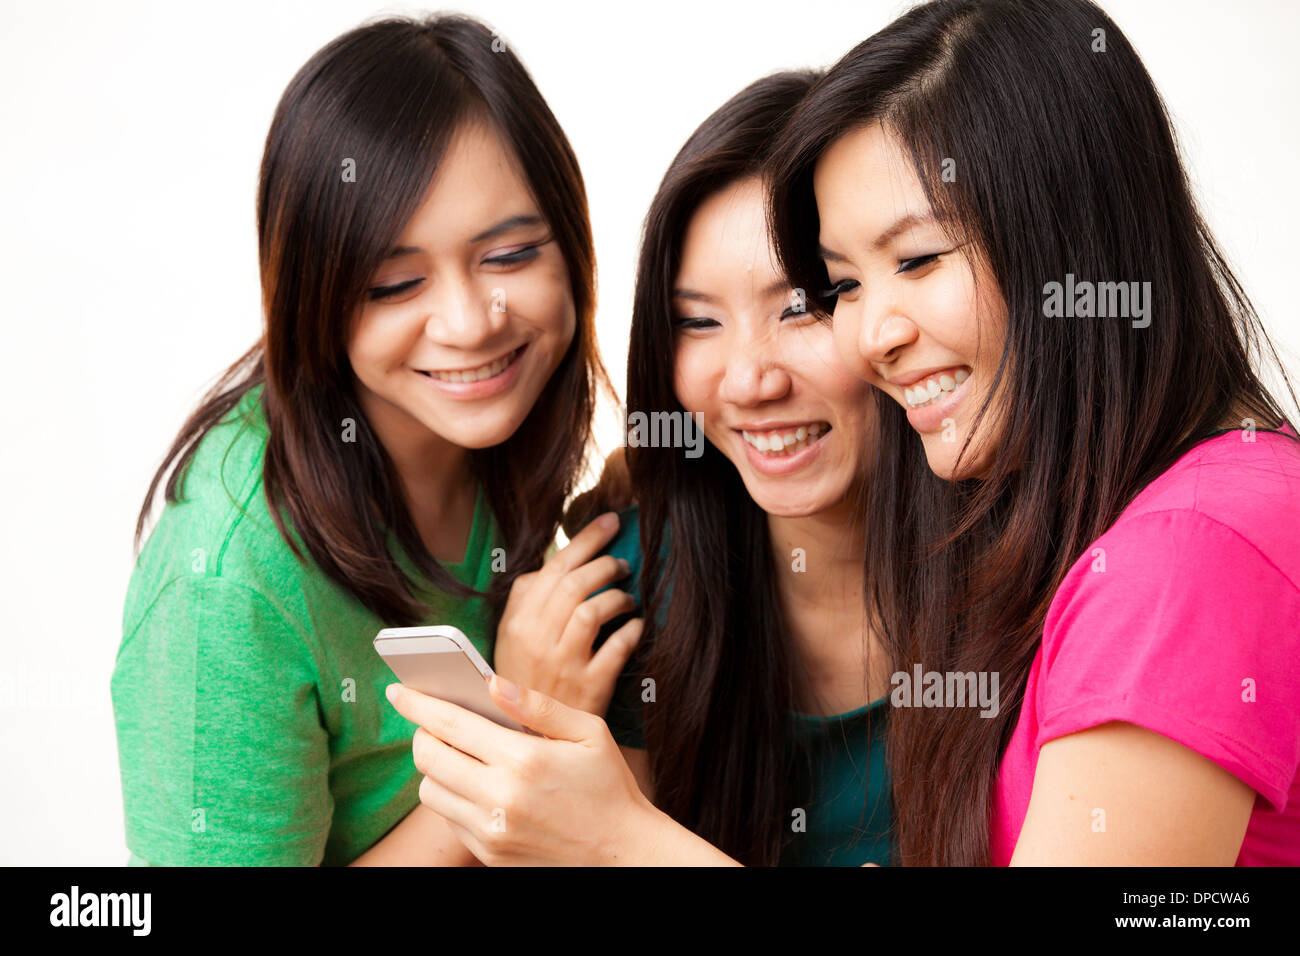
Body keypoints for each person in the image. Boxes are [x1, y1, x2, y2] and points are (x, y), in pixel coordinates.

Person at [767, 0, 1300, 865]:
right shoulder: (1151, 514)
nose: (872, 337)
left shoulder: (1189, 550)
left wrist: (621, 846)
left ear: (1077, 245)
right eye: (844, 285)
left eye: (918, 260)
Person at [110, 13, 631, 866]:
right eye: (395, 282)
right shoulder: (229, 580)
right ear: (314, 291)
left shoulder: (494, 441)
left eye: (510, 255)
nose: (469, 323)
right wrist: (513, 723)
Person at [390, 72, 897, 866]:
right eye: (698, 321)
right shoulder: (624, 595)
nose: (748, 380)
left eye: (800, 306)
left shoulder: (1044, 590)